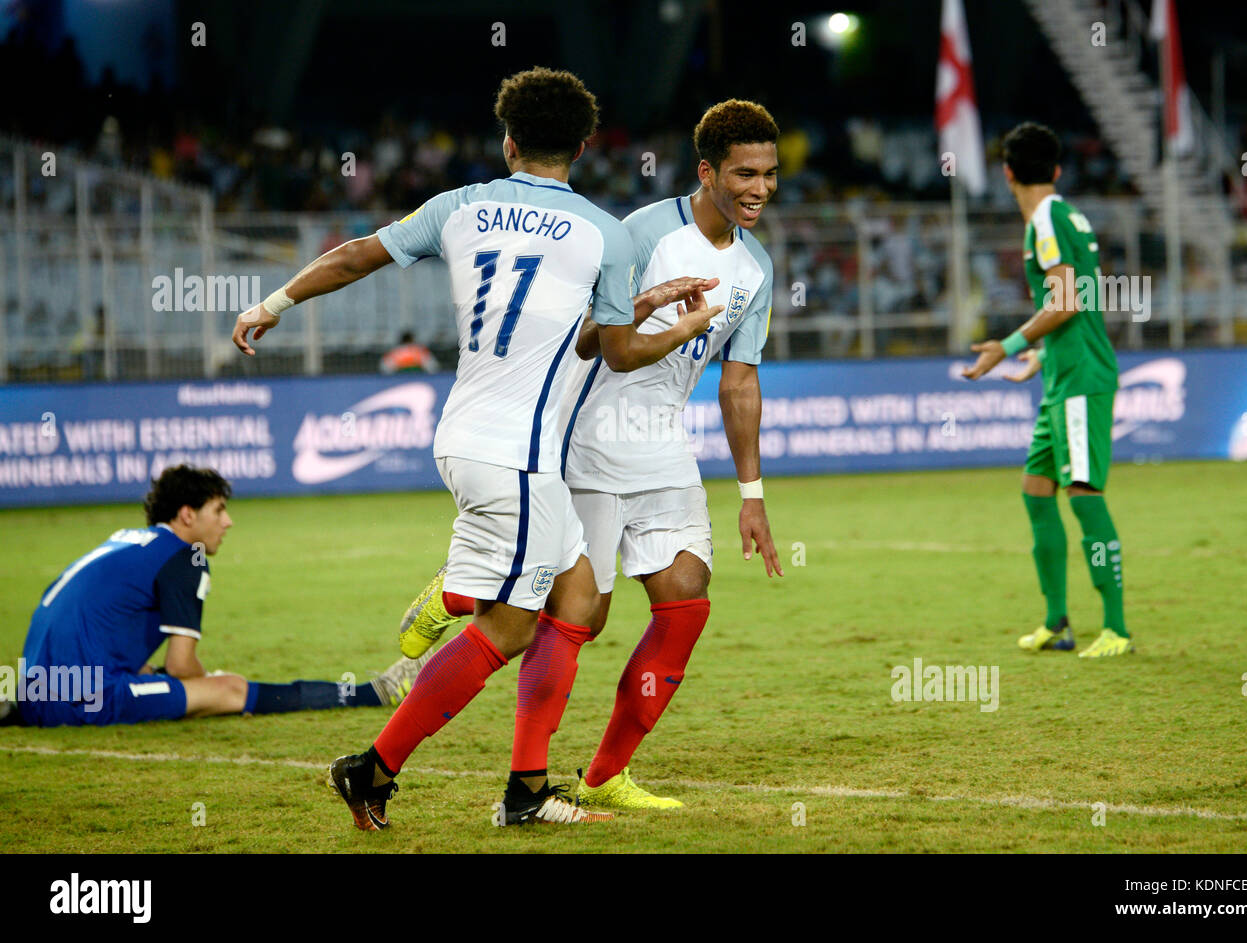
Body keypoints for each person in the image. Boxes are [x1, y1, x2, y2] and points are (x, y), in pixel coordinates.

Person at [232, 67, 720, 829]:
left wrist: (273, 301)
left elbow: (360, 252)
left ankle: (527, 781)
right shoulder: (605, 231)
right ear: (585, 145)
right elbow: (621, 353)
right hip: (519, 458)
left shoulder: (460, 206)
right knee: (510, 626)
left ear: (509, 141)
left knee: (578, 597)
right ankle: (378, 766)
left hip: (466, 436)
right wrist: (687, 326)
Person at [400, 99, 785, 811]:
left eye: (768, 174)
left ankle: (606, 774)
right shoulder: (640, 233)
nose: (758, 188)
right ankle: (464, 595)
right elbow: (581, 333)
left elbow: (739, 383)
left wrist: (752, 494)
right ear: (707, 172)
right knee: (579, 614)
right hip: (586, 443)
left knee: (686, 601)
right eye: (743, 174)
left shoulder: (756, 268)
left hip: (664, 446)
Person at [2, 465, 424, 728]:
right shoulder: (187, 557)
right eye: (219, 510)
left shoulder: (128, 540)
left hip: (38, 689)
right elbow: (181, 664)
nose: (229, 521)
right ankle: (378, 691)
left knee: (171, 679)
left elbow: (96, 622)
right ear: (188, 515)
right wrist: (198, 679)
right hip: (79, 699)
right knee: (230, 690)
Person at [961, 122, 1131, 658]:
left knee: (1083, 495)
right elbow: (1075, 300)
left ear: (1007, 173)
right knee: (1036, 491)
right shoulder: (1069, 215)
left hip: (1081, 380)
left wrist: (1006, 346)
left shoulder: (1046, 222)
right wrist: (1040, 354)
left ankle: (1117, 629)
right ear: (1056, 170)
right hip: (1063, 372)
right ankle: (1057, 620)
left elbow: (1066, 303)